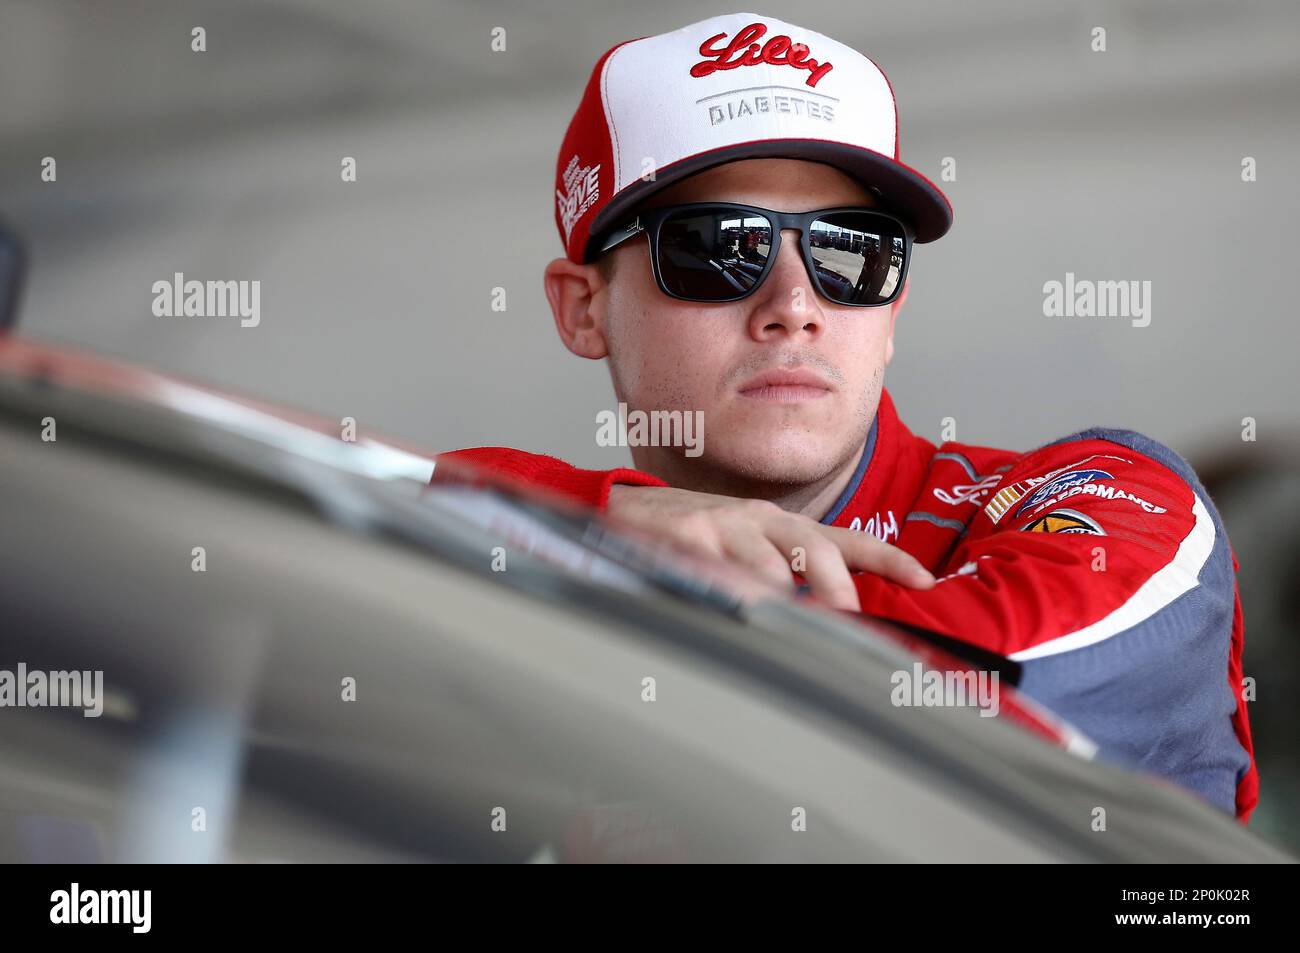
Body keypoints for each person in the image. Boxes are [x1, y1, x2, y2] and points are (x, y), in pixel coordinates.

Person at [434, 12, 1257, 821]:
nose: (795, 306)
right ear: (584, 310)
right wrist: (587, 517)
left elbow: (977, 699)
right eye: (720, 245)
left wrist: (594, 565)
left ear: (891, 314)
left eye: (851, 252)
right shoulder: (512, 572)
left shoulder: (1102, 489)